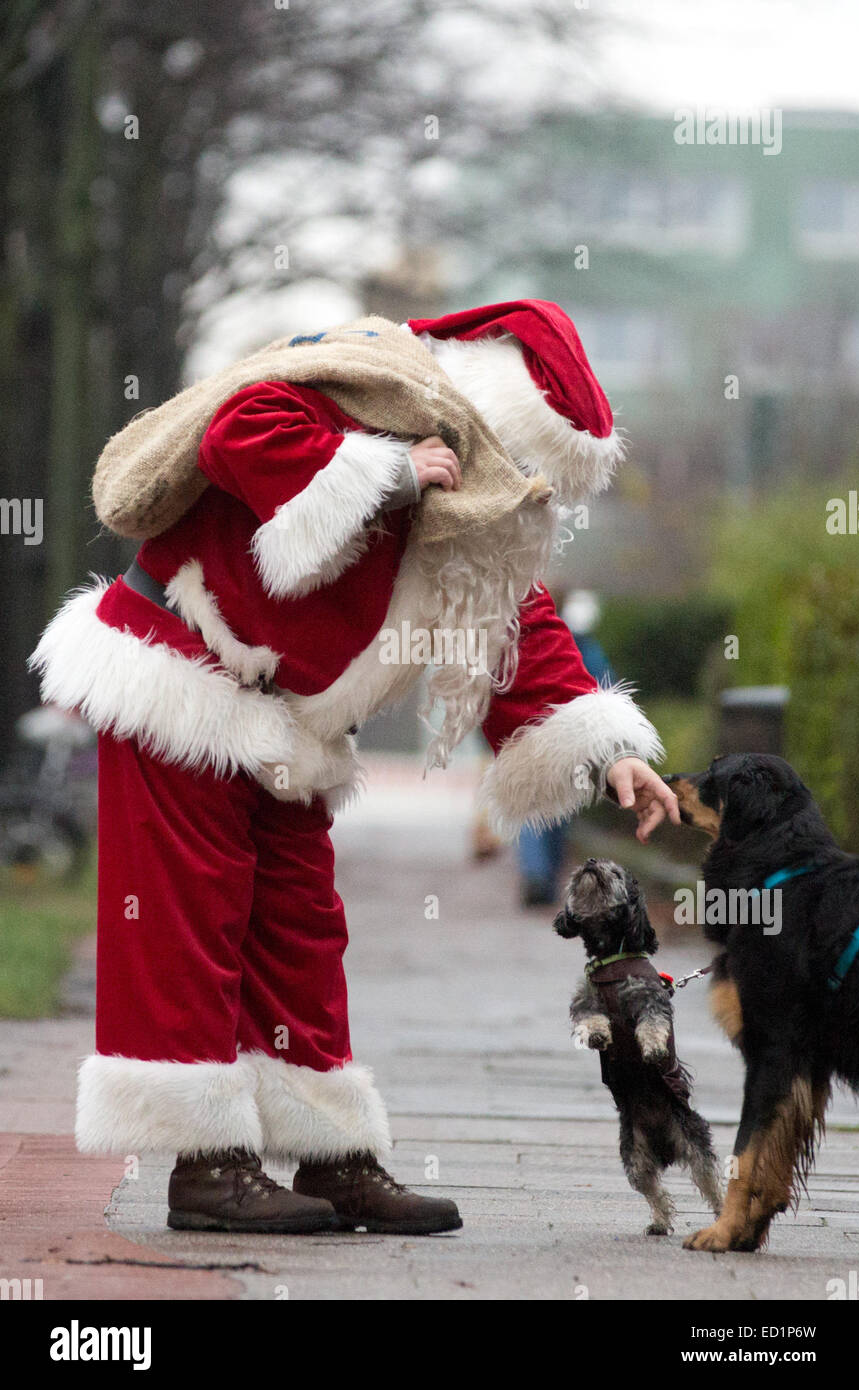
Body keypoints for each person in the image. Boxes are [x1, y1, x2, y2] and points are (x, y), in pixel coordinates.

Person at [31, 299, 679, 1235]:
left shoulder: (472, 500)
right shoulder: (372, 381)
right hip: (178, 674)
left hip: (282, 733)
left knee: (303, 932)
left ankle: (332, 1154)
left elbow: (514, 626)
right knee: (189, 919)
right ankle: (207, 1166)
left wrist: (611, 751)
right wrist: (384, 473)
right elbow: (235, 426)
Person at [517, 589, 616, 907]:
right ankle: (545, 877)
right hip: (570, 745)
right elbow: (606, 688)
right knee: (559, 813)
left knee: (535, 813)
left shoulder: (534, 639)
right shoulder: (587, 647)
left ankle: (537, 875)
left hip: (535, 739)